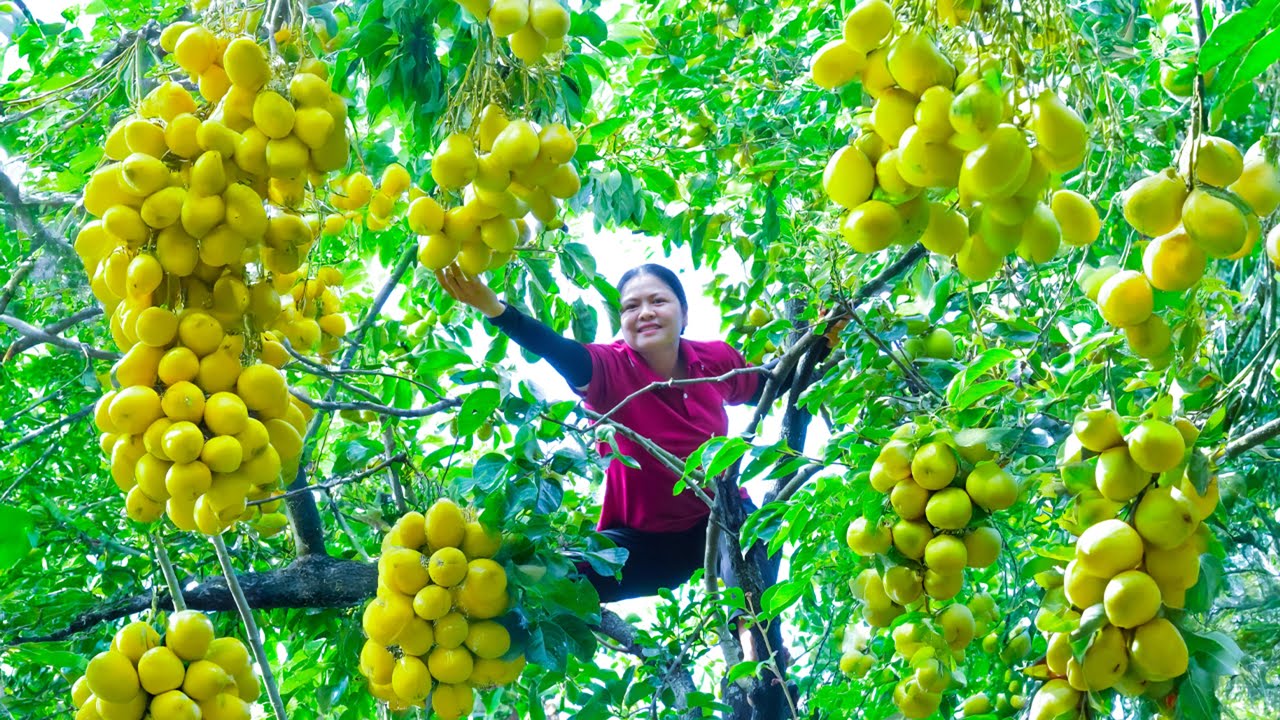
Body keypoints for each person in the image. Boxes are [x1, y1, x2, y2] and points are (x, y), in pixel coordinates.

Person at [435, 263, 784, 642]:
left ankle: (758, 668)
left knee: (752, 544)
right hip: (646, 543)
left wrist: (825, 335)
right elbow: (558, 349)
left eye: (658, 301)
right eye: (631, 307)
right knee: (541, 578)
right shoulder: (611, 368)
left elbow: (772, 383)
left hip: (721, 515)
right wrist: (497, 310)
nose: (645, 312)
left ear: (684, 313)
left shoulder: (714, 360)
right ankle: (447, 603)